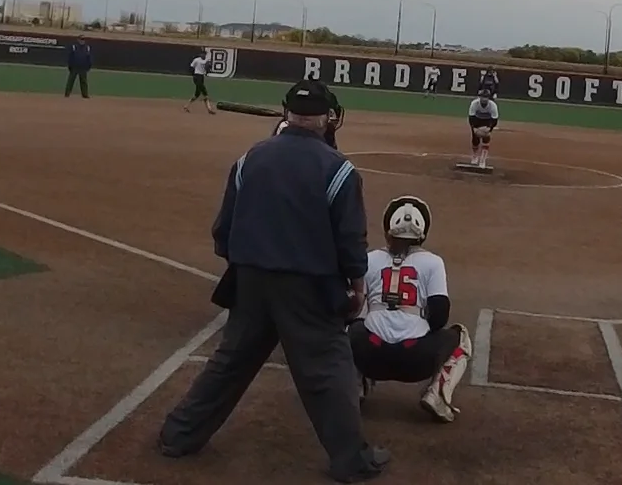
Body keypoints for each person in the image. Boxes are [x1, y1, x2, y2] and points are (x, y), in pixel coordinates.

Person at [157, 81, 389, 482]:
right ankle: (352, 460)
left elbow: (223, 230)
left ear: (287, 113)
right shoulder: (338, 169)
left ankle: (178, 435)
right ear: (328, 116)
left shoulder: (251, 158)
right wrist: (356, 286)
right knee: (327, 370)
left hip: (251, 280)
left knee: (230, 362)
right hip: (309, 289)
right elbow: (351, 241)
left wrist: (249, 266)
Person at [350, 196, 472, 422]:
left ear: (389, 230)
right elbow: (439, 316)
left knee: (349, 328)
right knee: (461, 337)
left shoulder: (370, 259)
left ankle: (352, 388)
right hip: (417, 359)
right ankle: (437, 395)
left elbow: (352, 307)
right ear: (422, 233)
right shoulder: (433, 262)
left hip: (370, 356)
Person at [464, 93, 498, 169]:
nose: (484, 99)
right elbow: (471, 118)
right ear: (480, 97)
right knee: (475, 140)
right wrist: (474, 128)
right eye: (482, 97)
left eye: (486, 97)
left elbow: (494, 120)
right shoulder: (474, 104)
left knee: (486, 139)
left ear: (488, 98)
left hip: (487, 122)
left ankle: (483, 160)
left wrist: (490, 129)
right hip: (477, 121)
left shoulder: (493, 106)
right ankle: (475, 156)